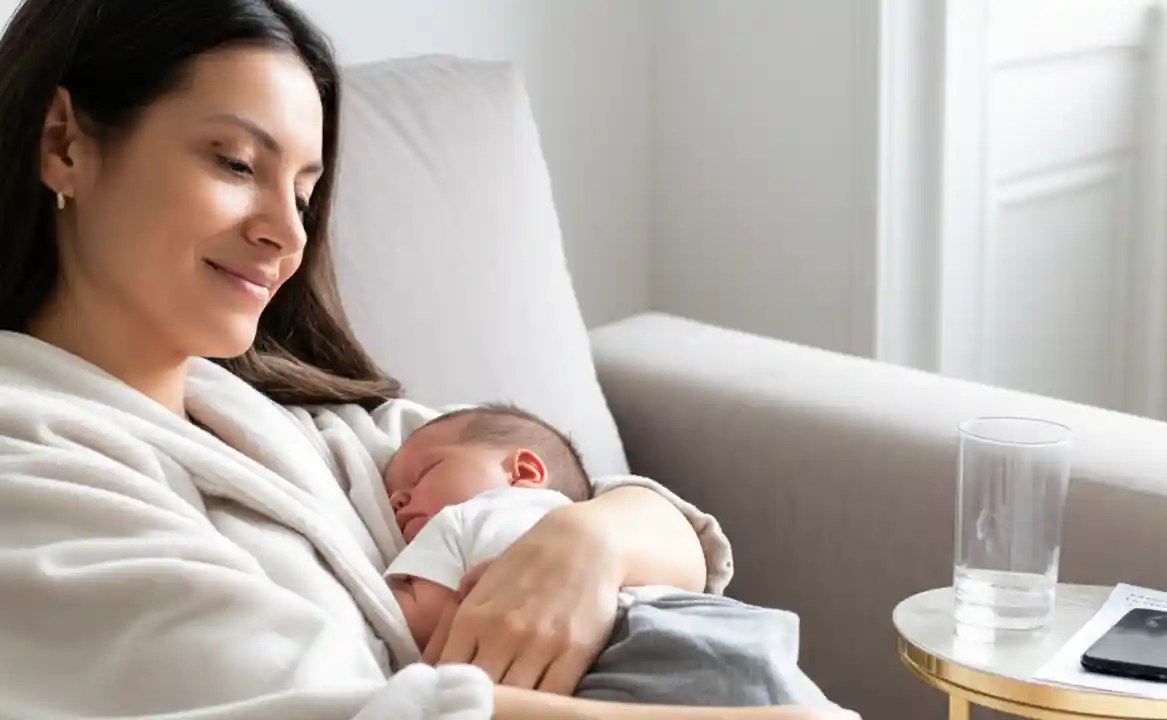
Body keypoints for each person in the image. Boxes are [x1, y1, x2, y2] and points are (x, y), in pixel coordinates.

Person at [0, 1, 859, 718]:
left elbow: (669, 535)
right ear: (64, 144)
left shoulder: (317, 438)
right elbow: (328, 705)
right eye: (234, 163)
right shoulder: (32, 469)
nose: (288, 234)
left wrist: (584, 542)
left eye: (304, 191)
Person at [384, 404, 835, 708]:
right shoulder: (577, 508)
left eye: (424, 473)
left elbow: (421, 620)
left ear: (523, 469)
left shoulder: (463, 518)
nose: (399, 500)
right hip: (724, 629)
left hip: (628, 648)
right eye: (392, 496)